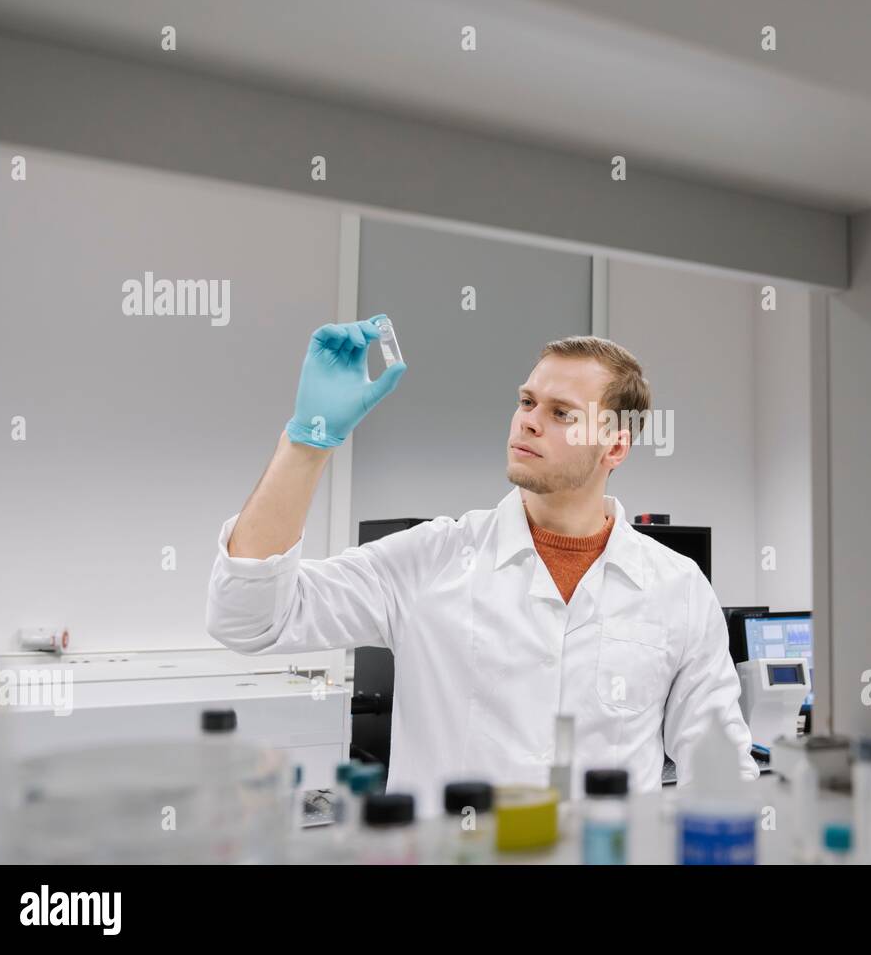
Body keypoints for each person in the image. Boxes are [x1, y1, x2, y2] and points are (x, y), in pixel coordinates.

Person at [205, 319, 757, 817]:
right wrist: (307, 443)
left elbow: (721, 770)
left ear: (615, 447)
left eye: (561, 413)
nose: (529, 422)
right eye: (526, 402)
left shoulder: (678, 588)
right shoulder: (430, 559)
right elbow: (251, 619)